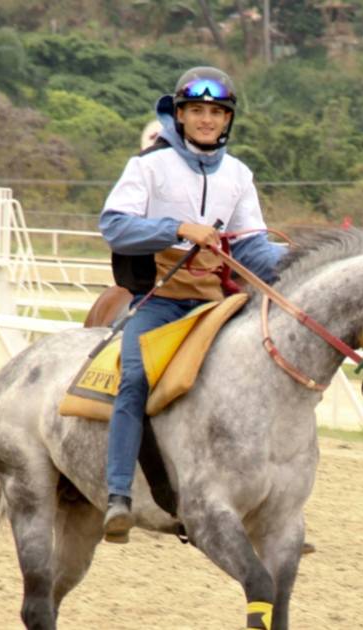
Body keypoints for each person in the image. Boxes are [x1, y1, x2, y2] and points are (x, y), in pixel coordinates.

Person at [99, 66, 284, 543]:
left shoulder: (239, 175)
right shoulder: (147, 166)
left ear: (227, 121)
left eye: (216, 112)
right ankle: (118, 495)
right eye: (196, 111)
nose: (206, 120)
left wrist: (298, 261)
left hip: (217, 306)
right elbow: (114, 226)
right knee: (135, 379)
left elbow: (253, 248)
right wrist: (178, 229)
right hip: (159, 301)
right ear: (179, 116)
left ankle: (263, 506)